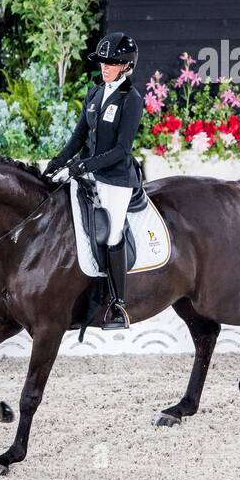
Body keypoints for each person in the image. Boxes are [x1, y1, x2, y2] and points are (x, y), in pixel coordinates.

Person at [44, 31, 144, 330]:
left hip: (116, 179)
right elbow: (78, 137)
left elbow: (121, 150)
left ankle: (117, 305)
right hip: (87, 171)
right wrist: (57, 162)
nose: (105, 67)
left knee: (112, 234)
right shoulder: (95, 93)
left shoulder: (132, 100)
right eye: (103, 61)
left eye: (112, 62)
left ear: (126, 66)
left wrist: (82, 165)